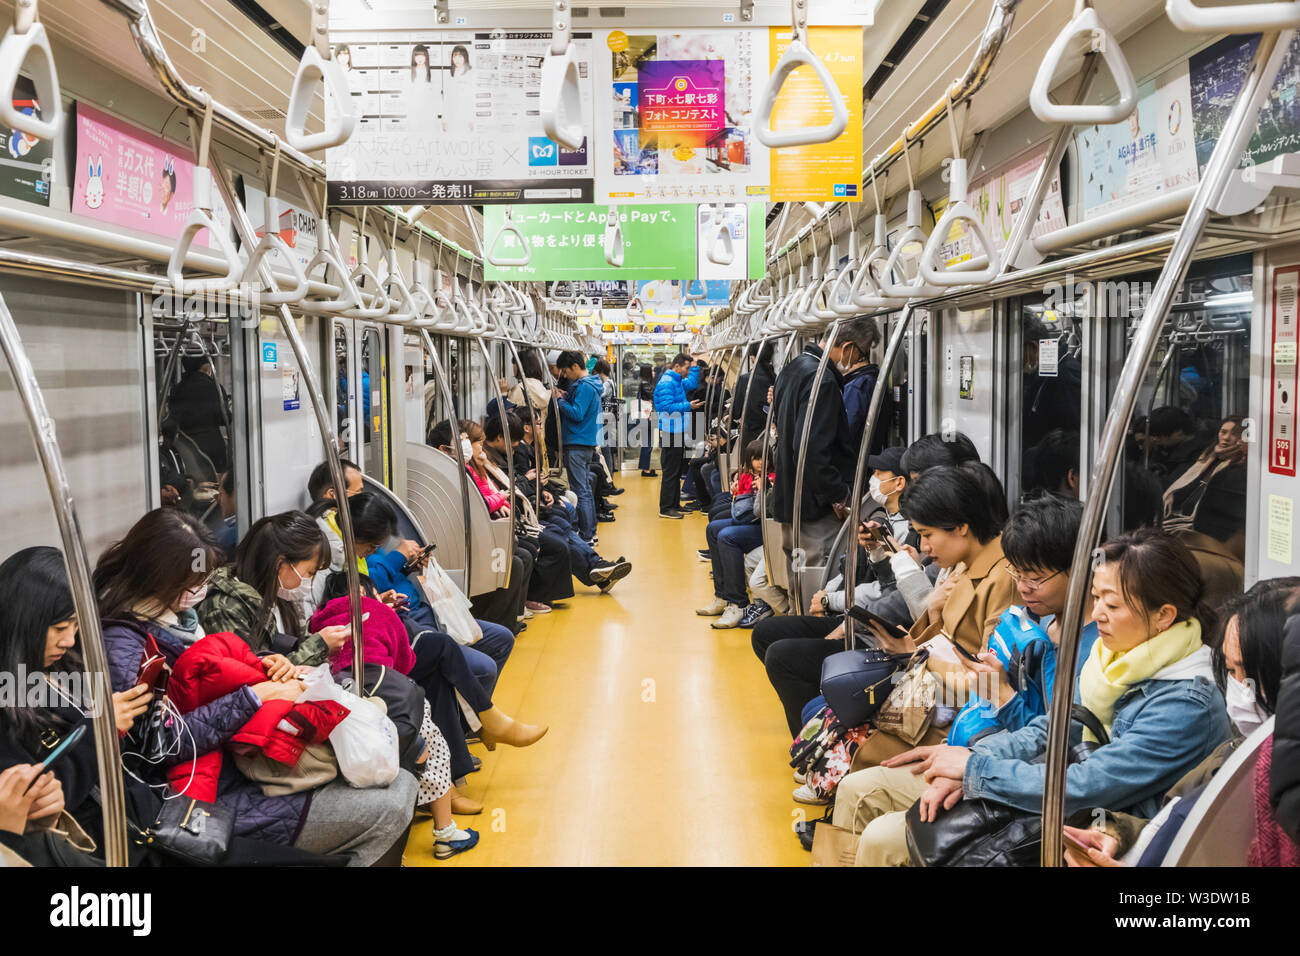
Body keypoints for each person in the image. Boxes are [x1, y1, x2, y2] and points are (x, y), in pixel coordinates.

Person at [96, 510, 417, 865]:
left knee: (398, 778)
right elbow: (155, 746)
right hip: (206, 789)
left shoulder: (180, 622)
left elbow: (221, 668)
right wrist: (252, 697)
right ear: (161, 577)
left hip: (239, 762)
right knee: (390, 801)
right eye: (191, 581)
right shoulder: (125, 648)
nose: (199, 590)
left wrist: (266, 663)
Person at [890, 529, 1230, 863]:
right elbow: (1057, 726)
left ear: (1164, 616)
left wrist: (976, 769)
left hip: (1100, 830)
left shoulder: (1185, 701)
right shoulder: (1113, 657)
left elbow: (1091, 784)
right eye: (1096, 599)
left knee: (893, 837)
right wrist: (971, 758)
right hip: (1054, 795)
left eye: (1112, 604)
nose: (1098, 614)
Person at [830, 496, 1098, 864]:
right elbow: (987, 690)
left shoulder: (1093, 653)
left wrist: (978, 753)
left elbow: (1055, 744)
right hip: (975, 742)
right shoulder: (1029, 619)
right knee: (856, 787)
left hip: (1013, 775)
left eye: (1034, 578)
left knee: (882, 836)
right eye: (1017, 576)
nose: (1022, 588)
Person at [1063, 578, 1299, 867]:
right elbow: (1175, 821)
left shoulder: (1189, 705)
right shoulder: (1235, 751)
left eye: (1246, 672)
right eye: (1229, 670)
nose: (1098, 613)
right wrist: (1116, 832)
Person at [0, 547, 161, 865]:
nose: (69, 640)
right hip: (102, 841)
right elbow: (50, 799)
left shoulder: (64, 664)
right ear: (24, 622)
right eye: (60, 628)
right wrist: (100, 729)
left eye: (76, 626)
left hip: (143, 815)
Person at [346, 490, 518, 698]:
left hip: (429, 610)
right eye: (356, 489)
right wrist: (399, 556)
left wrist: (411, 565)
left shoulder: (371, 544)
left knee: (502, 639)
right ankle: (471, 717)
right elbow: (372, 581)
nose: (361, 491)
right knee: (484, 667)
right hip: (409, 620)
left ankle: (471, 712)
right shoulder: (351, 551)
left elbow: (386, 575)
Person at [770, 322, 869, 577]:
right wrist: (838, 494)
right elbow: (811, 451)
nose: (859, 360)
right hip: (815, 508)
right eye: (861, 353)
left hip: (790, 496)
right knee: (818, 576)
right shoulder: (822, 381)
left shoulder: (793, 368)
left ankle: (795, 615)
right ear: (847, 347)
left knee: (798, 575)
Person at [197, 510, 351, 666]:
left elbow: (291, 649)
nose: (311, 580)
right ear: (280, 565)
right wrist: (319, 646)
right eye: (310, 572)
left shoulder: (281, 596)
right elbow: (250, 679)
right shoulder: (224, 608)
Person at [428, 419, 532, 632]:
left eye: (468, 440)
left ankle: (504, 623)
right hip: (456, 543)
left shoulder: (463, 469)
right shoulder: (446, 474)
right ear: (443, 449)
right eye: (462, 440)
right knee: (514, 562)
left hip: (472, 533)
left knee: (520, 556)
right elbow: (478, 506)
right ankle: (495, 625)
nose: (468, 445)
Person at [697, 438, 769, 628]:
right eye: (756, 459)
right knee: (713, 529)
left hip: (766, 526)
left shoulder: (771, 478)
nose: (760, 462)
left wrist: (762, 490)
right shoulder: (748, 476)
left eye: (764, 458)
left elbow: (760, 511)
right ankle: (721, 595)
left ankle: (739, 603)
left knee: (726, 536)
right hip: (750, 520)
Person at [1161, 415, 1247, 537]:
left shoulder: (1239, 465)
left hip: (1202, 523)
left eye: (1233, 434)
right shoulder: (1208, 456)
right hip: (1179, 512)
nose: (1226, 438)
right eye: (1223, 432)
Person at [552, 350, 604, 542]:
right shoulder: (591, 385)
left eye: (565, 371)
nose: (565, 376)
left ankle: (587, 534)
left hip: (577, 442)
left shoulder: (584, 387)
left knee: (580, 490)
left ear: (575, 366)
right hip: (585, 442)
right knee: (585, 490)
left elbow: (577, 413)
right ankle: (591, 531)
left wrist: (559, 401)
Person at [654, 352, 702, 518]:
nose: (688, 371)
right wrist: (688, 405)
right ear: (677, 366)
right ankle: (666, 508)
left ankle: (675, 504)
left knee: (675, 470)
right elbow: (666, 408)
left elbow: (692, 384)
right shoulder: (667, 383)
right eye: (687, 368)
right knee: (670, 471)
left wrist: (695, 367)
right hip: (670, 430)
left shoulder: (677, 380)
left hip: (677, 429)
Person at [168, 355, 228, 474]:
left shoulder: (176, 389)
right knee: (215, 482)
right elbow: (224, 418)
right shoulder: (215, 388)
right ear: (206, 367)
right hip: (213, 447)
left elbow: (173, 417)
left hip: (187, 447)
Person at [635, 363, 658, 477]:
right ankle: (645, 469)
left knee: (647, 443)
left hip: (645, 416)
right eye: (652, 371)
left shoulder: (643, 383)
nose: (654, 373)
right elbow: (653, 397)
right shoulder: (645, 384)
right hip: (647, 416)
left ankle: (646, 467)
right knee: (648, 443)